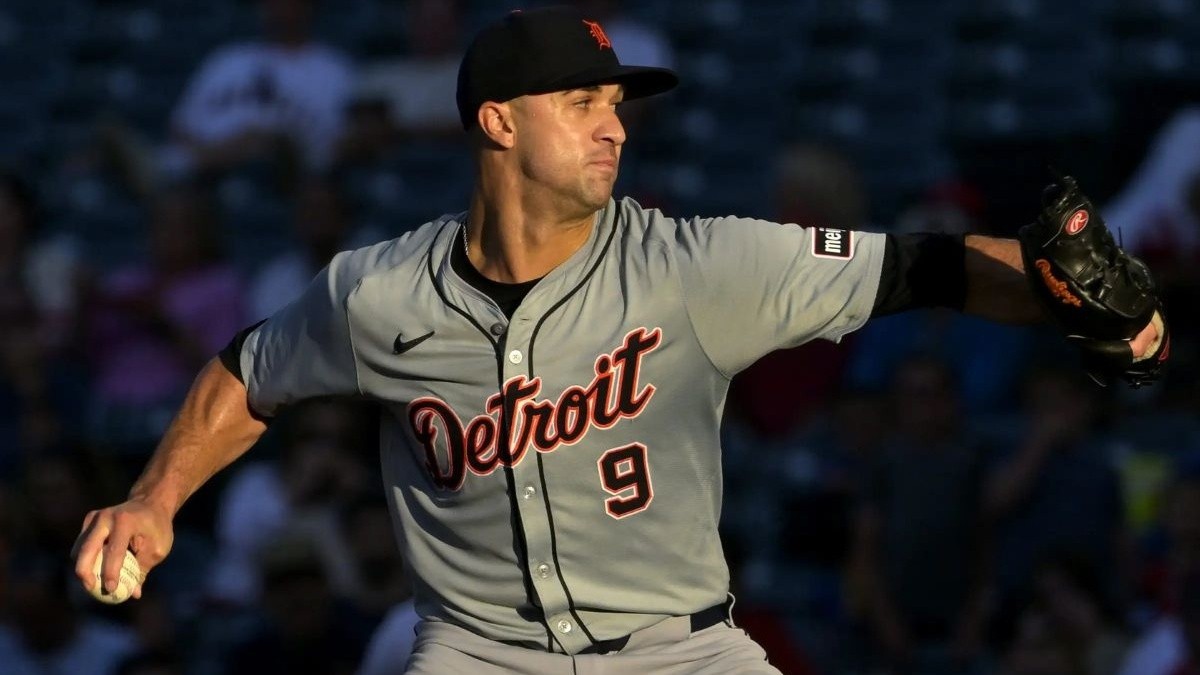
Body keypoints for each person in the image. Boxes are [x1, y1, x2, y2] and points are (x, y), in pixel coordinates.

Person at [72, 7, 1165, 675]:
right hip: (479, 657)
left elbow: (923, 266)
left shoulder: (696, 267)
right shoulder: (377, 293)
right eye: (583, 101)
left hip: (681, 649)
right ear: (499, 122)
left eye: (617, 103)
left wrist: (1102, 311)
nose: (615, 123)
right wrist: (155, 498)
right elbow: (247, 373)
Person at [161, 0, 353, 178]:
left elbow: (336, 148)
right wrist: (222, 153)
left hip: (289, 181)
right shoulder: (227, 59)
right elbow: (181, 128)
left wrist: (267, 144)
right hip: (203, 177)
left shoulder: (335, 70)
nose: (276, 6)